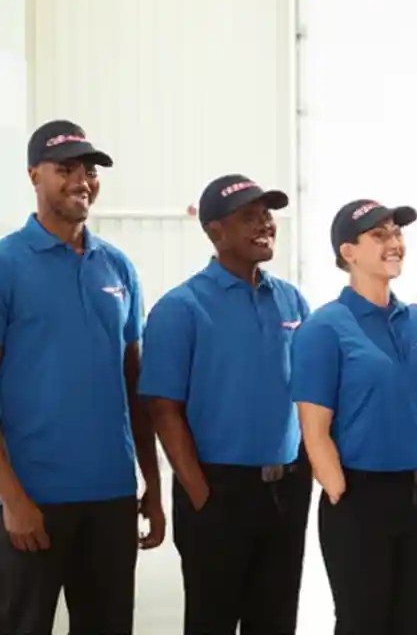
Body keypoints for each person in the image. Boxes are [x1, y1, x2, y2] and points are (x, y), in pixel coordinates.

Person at [0, 119, 164, 634]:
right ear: (34, 175)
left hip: (112, 495)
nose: (81, 181)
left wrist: (152, 483)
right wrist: (12, 498)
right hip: (35, 497)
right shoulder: (7, 265)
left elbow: (135, 386)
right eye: (65, 169)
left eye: (90, 170)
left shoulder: (117, 267)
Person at [139, 174, 313, 634]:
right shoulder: (181, 307)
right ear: (215, 231)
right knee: (212, 620)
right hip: (218, 490)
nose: (265, 225)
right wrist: (200, 493)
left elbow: (311, 392)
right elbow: (162, 408)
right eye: (249, 217)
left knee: (275, 620)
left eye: (268, 215)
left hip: (286, 489)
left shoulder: (292, 300)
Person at [290, 199, 417, 634]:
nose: (395, 243)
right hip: (362, 501)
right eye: (379, 235)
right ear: (348, 252)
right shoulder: (325, 328)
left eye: (397, 233)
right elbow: (314, 429)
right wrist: (342, 493)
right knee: (364, 623)